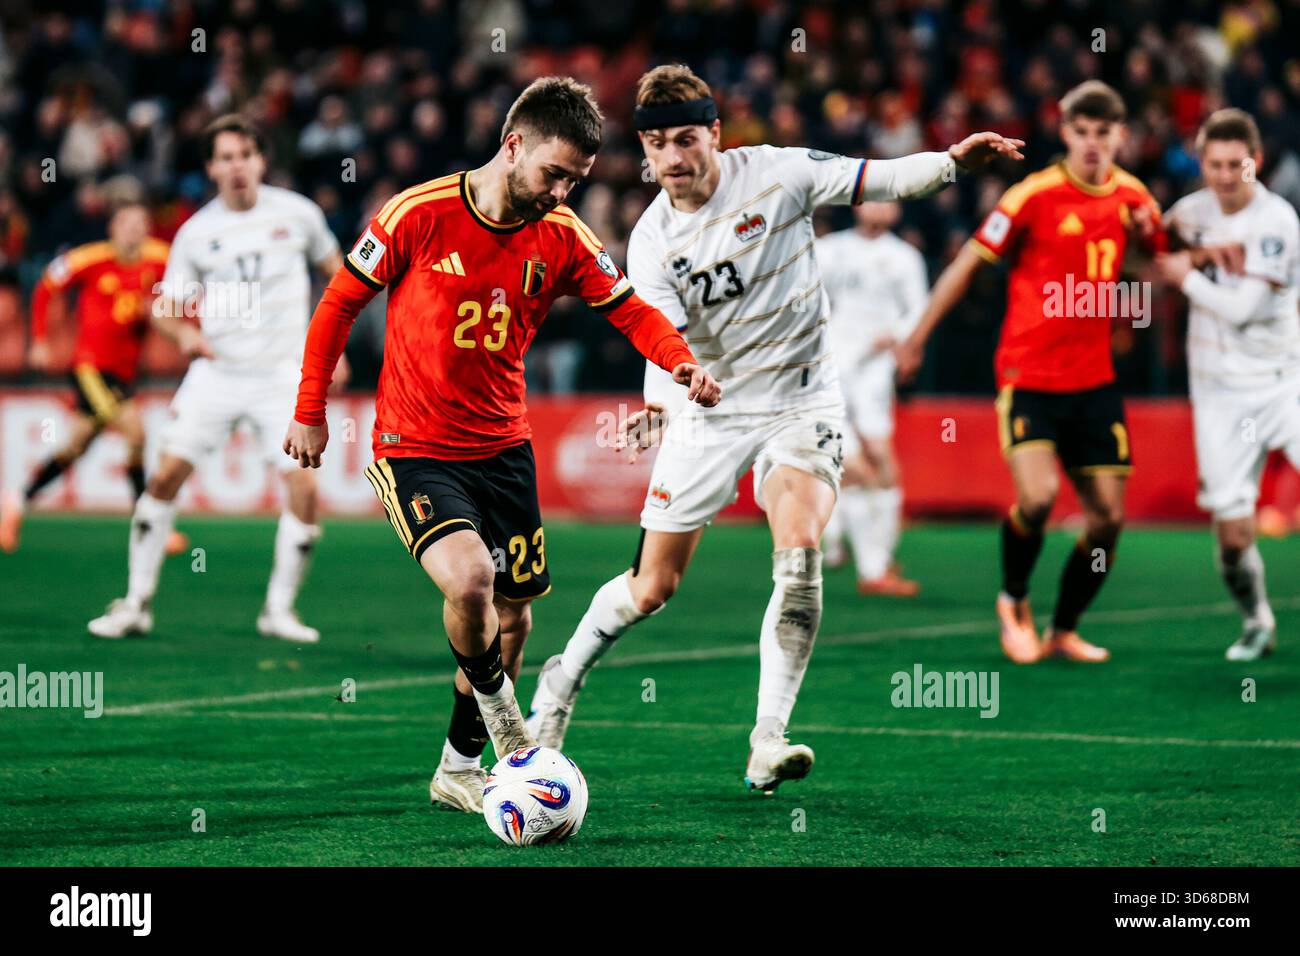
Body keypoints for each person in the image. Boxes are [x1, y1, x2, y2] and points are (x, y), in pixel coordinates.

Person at [527, 62, 1023, 793]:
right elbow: (660, 337)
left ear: (717, 136)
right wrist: (659, 406)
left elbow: (881, 179)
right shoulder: (652, 241)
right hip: (711, 408)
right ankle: (560, 685)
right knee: (652, 588)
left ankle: (768, 738)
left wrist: (950, 165)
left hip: (801, 400)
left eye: (686, 139)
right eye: (657, 144)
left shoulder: (780, 174)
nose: (673, 158)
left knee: (800, 556)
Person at [282, 77, 720, 813]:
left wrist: (678, 361)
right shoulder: (415, 214)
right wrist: (309, 409)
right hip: (413, 443)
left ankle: (458, 766)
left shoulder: (562, 236)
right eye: (554, 174)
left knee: (514, 616)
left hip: (504, 450)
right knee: (471, 581)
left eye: (575, 181)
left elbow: (632, 311)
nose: (561, 193)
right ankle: (509, 731)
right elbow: (338, 304)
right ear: (513, 146)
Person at [896, 80, 1163, 665]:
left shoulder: (1137, 200)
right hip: (1029, 376)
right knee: (1039, 499)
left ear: (1121, 136)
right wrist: (916, 338)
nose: (1092, 143)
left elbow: (1154, 268)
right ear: (1065, 133)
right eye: (1081, 131)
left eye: (1103, 132)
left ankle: (1064, 628)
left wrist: (1154, 253)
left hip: (1094, 382)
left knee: (1108, 521)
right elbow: (968, 262)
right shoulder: (1031, 196)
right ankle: (1013, 600)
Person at [87, 115, 346, 643]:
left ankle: (278, 610)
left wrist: (331, 351)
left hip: (281, 378)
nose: (237, 166)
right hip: (217, 373)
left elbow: (340, 279)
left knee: (304, 488)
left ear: (261, 160)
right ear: (210, 167)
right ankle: (135, 604)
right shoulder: (196, 232)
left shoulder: (299, 215)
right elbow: (164, 308)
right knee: (162, 480)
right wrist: (183, 335)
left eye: (245, 154)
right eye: (225, 157)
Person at [1155, 108, 1300, 661]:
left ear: (1255, 163)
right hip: (1218, 394)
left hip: (1284, 383)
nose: (1222, 176)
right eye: (1212, 164)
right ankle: (1256, 620)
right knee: (1234, 539)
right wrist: (1183, 258)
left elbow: (1242, 308)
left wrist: (1184, 274)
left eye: (1234, 165)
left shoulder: (1277, 219)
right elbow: (1138, 259)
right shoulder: (1188, 214)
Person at [0, 199, 186, 557]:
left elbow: (188, 288)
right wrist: (39, 339)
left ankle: (16, 502)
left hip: (125, 372)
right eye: (127, 223)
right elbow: (46, 286)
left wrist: (170, 309)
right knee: (136, 431)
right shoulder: (90, 259)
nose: (135, 229)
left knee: (75, 446)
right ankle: (149, 523)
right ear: (112, 229)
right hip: (90, 367)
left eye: (140, 223)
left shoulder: (161, 258)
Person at [816, 201, 927, 596]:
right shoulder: (829, 250)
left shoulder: (904, 257)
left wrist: (899, 336)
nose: (880, 207)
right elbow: (806, 300)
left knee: (881, 460)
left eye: (888, 200)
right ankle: (867, 563)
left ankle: (878, 554)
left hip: (875, 372)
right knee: (854, 465)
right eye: (872, 198)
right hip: (829, 369)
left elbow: (919, 309)